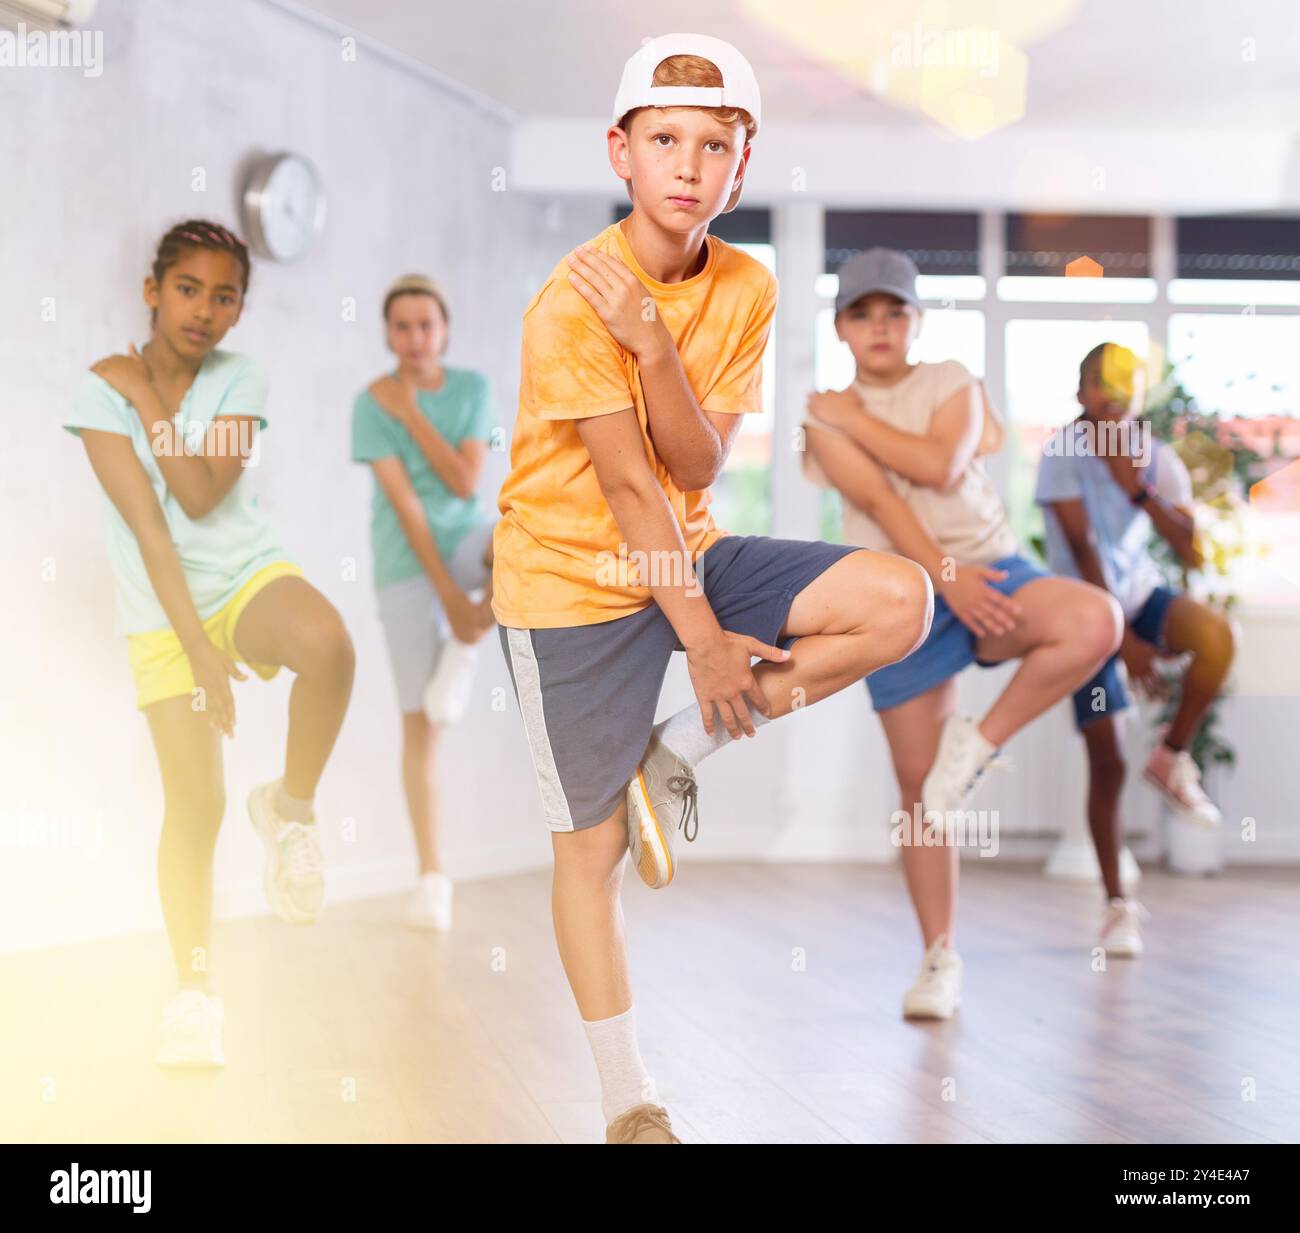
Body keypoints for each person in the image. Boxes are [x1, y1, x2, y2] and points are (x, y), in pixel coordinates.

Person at [492, 36, 932, 1143]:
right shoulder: (568, 300)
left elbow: (691, 470)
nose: (688, 166)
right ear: (622, 153)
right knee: (589, 856)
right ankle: (628, 1100)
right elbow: (629, 490)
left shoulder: (745, 283)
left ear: (741, 165)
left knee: (899, 601)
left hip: (686, 549)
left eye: (714, 145)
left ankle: (677, 747)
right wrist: (708, 637)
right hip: (568, 588)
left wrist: (654, 349)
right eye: (664, 141)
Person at [801, 247, 1122, 1020]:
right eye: (862, 313)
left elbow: (943, 466)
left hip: (994, 567)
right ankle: (939, 956)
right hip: (899, 593)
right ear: (841, 326)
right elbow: (879, 499)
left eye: (894, 311)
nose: (879, 327)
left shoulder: (950, 380)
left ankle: (977, 745)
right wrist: (944, 578)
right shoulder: (822, 416)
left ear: (915, 321)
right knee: (921, 794)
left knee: (1095, 621)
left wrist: (856, 418)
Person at [63, 220, 355, 1066]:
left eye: (224, 295)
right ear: (153, 291)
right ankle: (193, 995)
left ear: (239, 311)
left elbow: (194, 494)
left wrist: (148, 397)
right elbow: (152, 529)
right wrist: (194, 647)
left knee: (330, 647)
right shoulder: (95, 395)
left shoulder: (239, 378)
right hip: (160, 610)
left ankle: (291, 807)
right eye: (187, 288)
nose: (203, 309)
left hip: (246, 575)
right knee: (197, 807)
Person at [1036, 341, 1235, 957]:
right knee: (1107, 761)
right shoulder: (1061, 454)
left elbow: (1191, 550)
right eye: (1099, 386)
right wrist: (1123, 646)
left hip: (1139, 594)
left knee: (1216, 640)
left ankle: (1172, 757)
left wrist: (1140, 489)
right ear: (1080, 395)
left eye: (1121, 388)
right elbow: (1084, 549)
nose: (1110, 398)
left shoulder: (1154, 455)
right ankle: (1118, 904)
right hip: (1083, 612)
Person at [351, 275, 497, 931]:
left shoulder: (471, 390)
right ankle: (433, 877)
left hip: (467, 539)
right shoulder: (367, 403)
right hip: (403, 559)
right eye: (402, 327)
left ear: (445, 330)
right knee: (422, 726)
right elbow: (408, 506)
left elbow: (465, 479)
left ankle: (467, 643)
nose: (415, 338)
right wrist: (447, 597)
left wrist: (411, 413)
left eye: (426, 325)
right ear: (387, 333)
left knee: (525, 541)